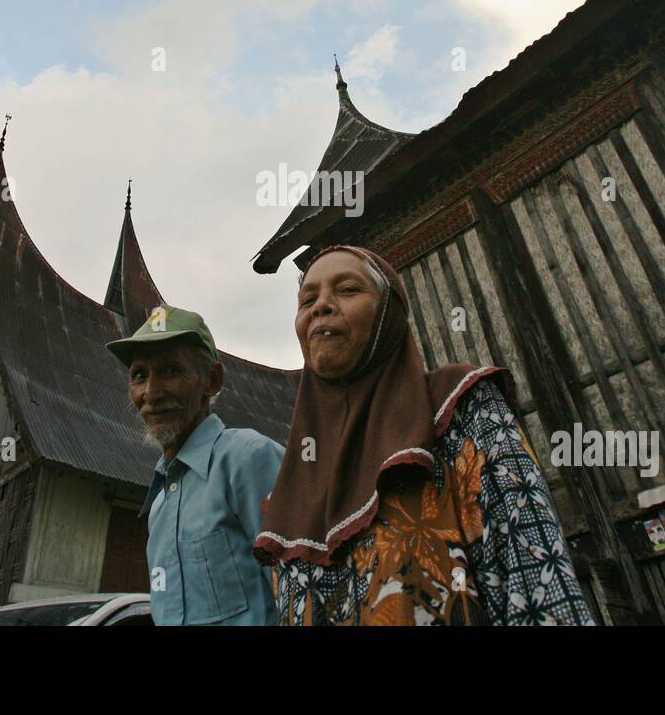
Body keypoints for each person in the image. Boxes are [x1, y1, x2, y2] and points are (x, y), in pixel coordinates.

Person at [254, 244, 594, 626]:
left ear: (389, 315)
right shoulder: (294, 484)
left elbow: (537, 579)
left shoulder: (460, 410)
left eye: (348, 290)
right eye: (307, 300)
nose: (321, 306)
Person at [108, 305, 284, 625]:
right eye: (139, 375)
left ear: (211, 381)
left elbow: (304, 594)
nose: (151, 392)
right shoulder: (159, 508)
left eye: (170, 371)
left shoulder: (248, 459)